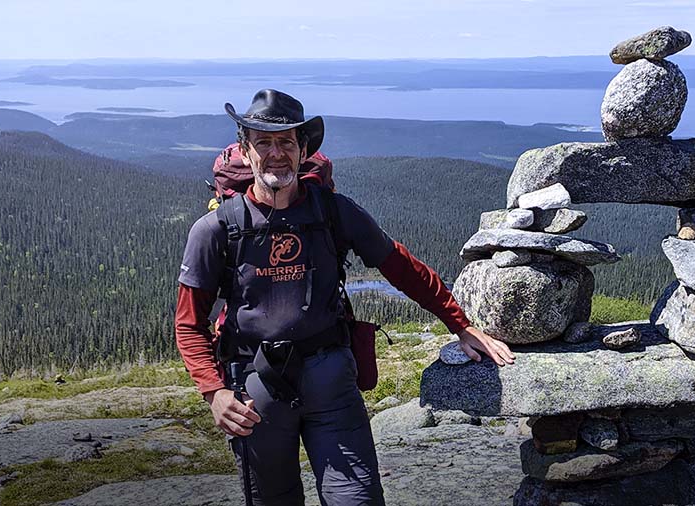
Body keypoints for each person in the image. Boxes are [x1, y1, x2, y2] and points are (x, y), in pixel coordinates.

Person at [175, 89, 514, 506]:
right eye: (263, 142)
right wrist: (215, 393)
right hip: (254, 389)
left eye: (286, 142)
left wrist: (460, 325)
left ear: (303, 150)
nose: (275, 154)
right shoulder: (216, 230)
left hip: (330, 379)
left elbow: (400, 266)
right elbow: (189, 322)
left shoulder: (333, 212)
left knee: (357, 499)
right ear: (245, 151)